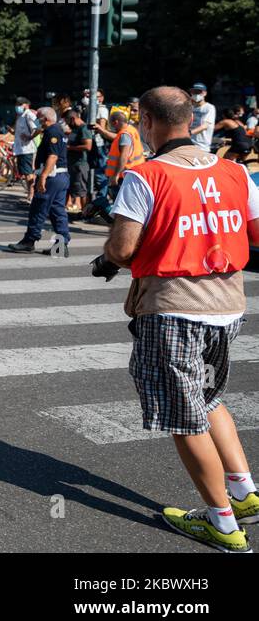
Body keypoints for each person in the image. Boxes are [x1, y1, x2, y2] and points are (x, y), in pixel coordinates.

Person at [93, 86, 259, 553]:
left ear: (147, 121)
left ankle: (222, 522)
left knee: (186, 417)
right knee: (209, 398)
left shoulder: (145, 176)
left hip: (174, 310)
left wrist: (111, 248)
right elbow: (253, 233)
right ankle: (245, 493)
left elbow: (122, 250)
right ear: (190, 118)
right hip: (227, 306)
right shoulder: (234, 172)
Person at [7, 106, 70, 255]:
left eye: (39, 118)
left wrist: (42, 177)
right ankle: (61, 245)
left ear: (46, 119)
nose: (37, 121)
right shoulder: (55, 130)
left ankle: (30, 241)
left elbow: (53, 156)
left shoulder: (52, 131)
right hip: (60, 176)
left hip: (52, 177)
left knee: (38, 209)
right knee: (57, 212)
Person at [101, 107, 145, 199]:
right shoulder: (131, 129)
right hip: (134, 172)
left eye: (111, 124)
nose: (111, 127)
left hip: (123, 176)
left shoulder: (125, 135)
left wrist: (115, 175)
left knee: (120, 203)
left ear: (116, 122)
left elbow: (124, 156)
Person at [64, 107, 93, 214]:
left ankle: (85, 213)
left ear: (72, 118)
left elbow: (88, 146)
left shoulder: (84, 128)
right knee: (74, 188)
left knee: (82, 190)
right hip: (73, 163)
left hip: (80, 164)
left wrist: (70, 148)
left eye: (67, 121)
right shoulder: (75, 129)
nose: (67, 124)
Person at [12, 97, 40, 203]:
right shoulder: (20, 116)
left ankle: (31, 195)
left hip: (28, 149)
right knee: (25, 173)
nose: (17, 107)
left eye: (19, 105)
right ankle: (29, 193)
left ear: (26, 105)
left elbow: (38, 127)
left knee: (29, 173)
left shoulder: (29, 115)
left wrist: (30, 137)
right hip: (20, 149)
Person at [189, 83, 216, 152]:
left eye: (199, 92)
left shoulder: (209, 108)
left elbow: (205, 126)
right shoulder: (189, 108)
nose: (196, 94)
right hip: (188, 144)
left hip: (202, 147)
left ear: (205, 93)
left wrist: (189, 133)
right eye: (194, 92)